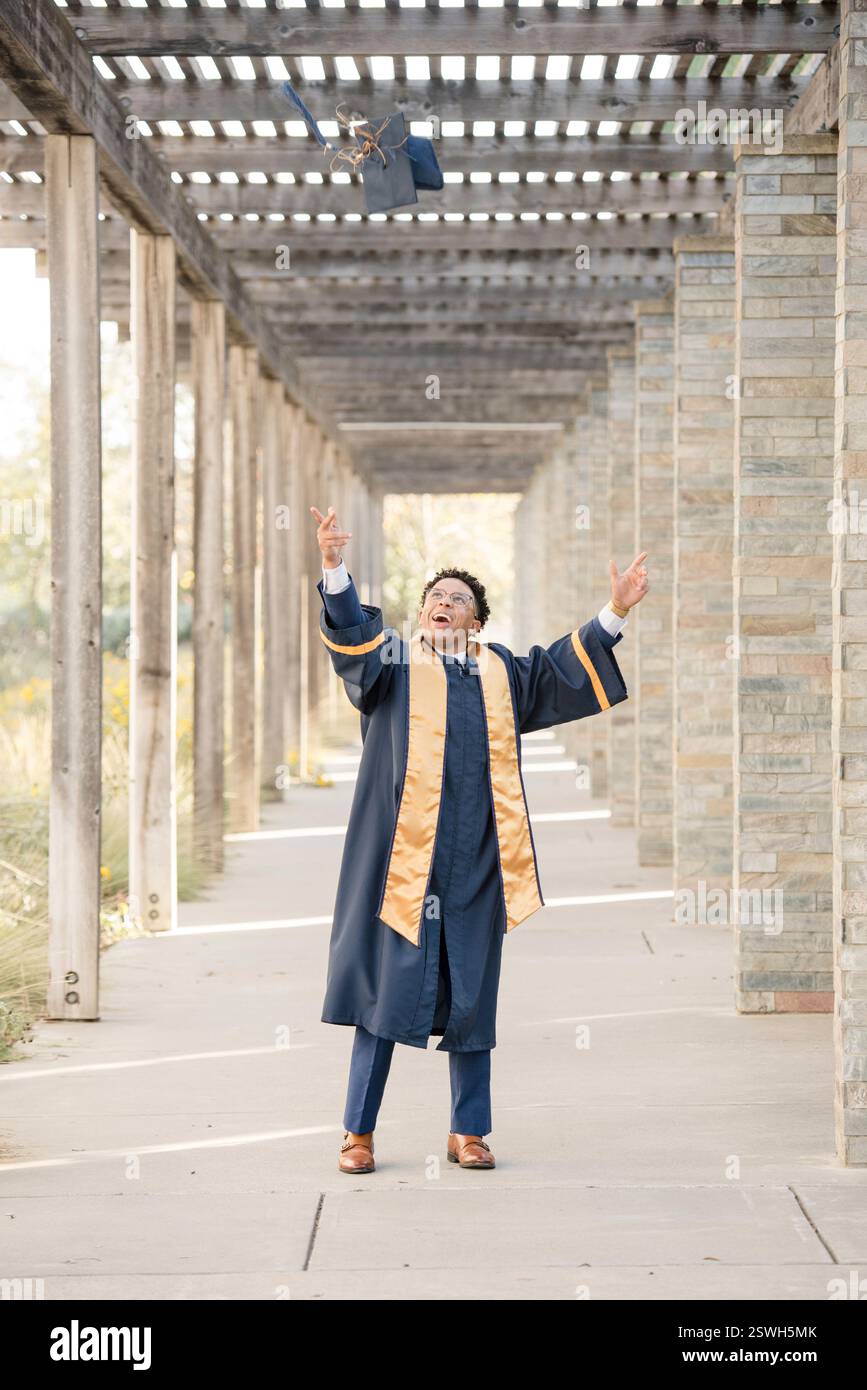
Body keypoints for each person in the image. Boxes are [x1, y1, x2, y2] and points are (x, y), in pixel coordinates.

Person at [310, 503, 649, 1173]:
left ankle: (468, 1131)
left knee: (471, 997)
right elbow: (348, 635)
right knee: (381, 995)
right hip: (398, 866)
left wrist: (614, 612)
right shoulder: (392, 668)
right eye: (435, 596)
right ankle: (358, 1133)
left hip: (474, 867)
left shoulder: (500, 674)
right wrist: (333, 568)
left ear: (476, 621)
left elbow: (561, 668)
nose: (443, 603)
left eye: (457, 599)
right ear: (423, 613)